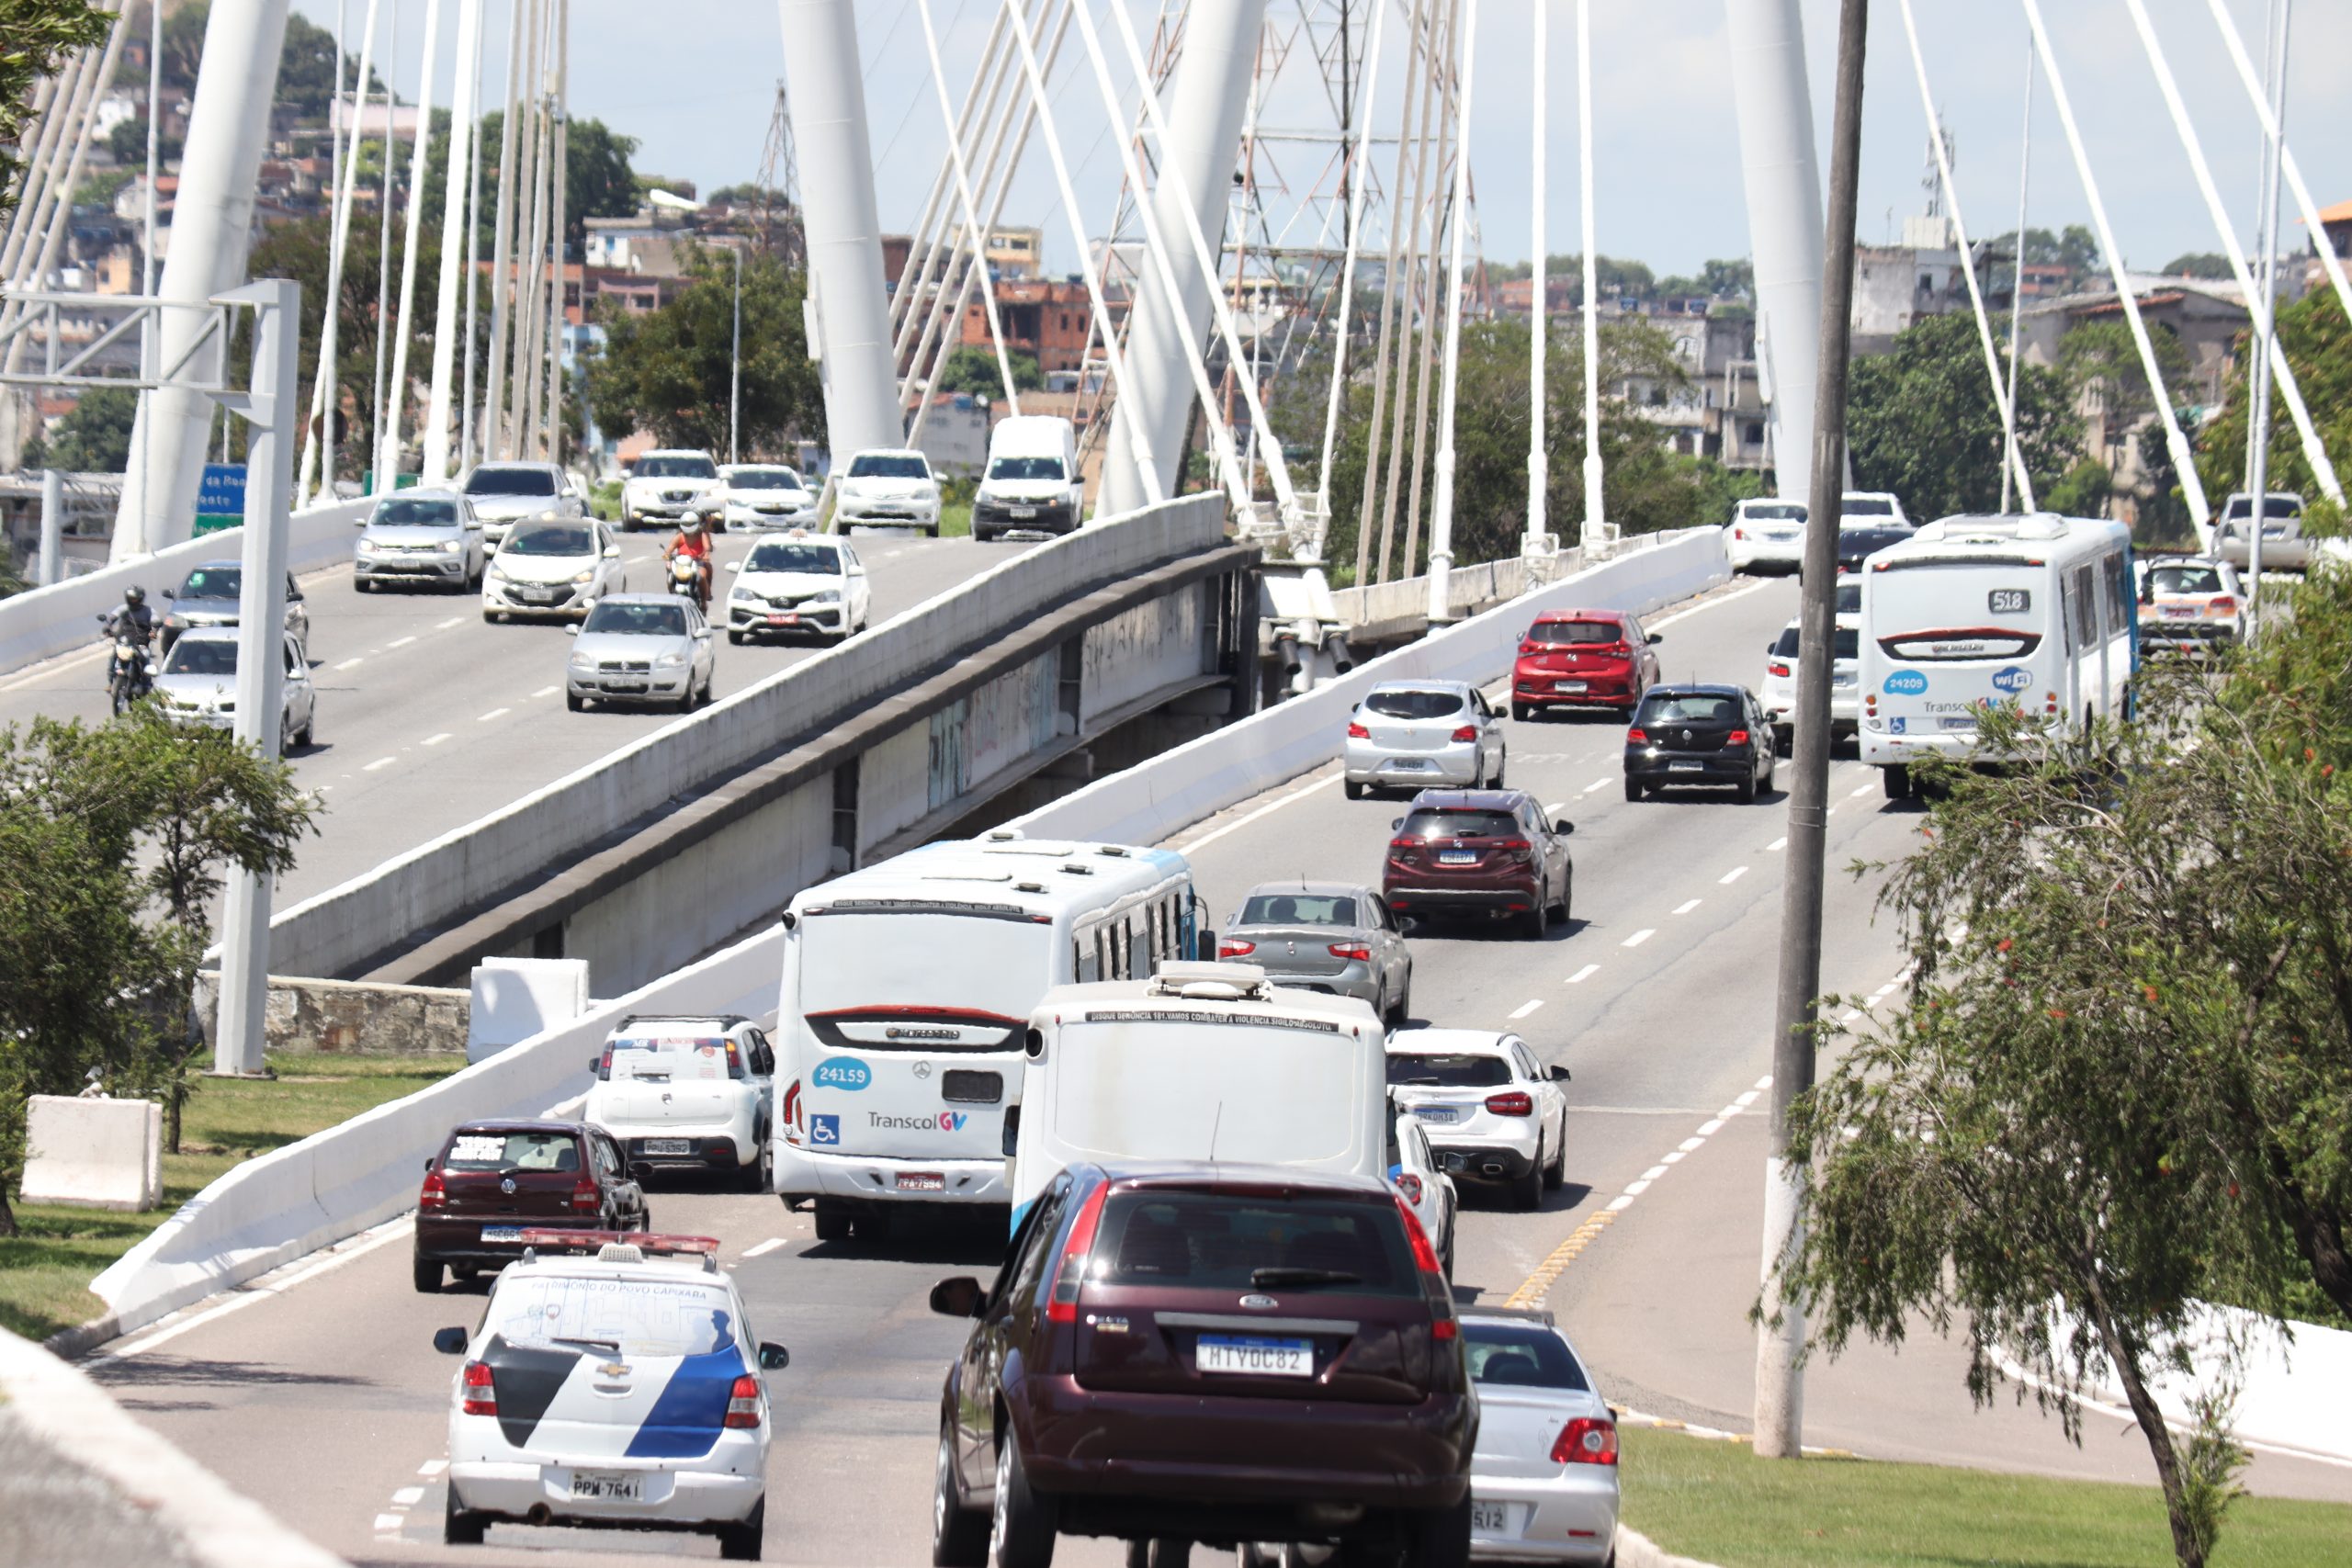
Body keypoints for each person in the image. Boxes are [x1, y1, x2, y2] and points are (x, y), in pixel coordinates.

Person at [99, 586, 155, 689]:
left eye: (135, 598)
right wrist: (108, 626)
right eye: (131, 598)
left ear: (140, 598)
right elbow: (113, 617)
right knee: (114, 657)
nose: (133, 601)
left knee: (145, 658)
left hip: (140, 642)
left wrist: (154, 631)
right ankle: (111, 682)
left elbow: (156, 621)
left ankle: (146, 683)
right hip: (124, 640)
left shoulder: (147, 610)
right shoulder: (123, 609)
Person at [662, 514, 714, 608]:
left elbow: (707, 547)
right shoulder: (679, 537)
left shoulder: (701, 535)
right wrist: (667, 558)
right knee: (671, 573)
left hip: (697, 562)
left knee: (701, 576)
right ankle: (671, 593)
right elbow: (669, 550)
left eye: (691, 524)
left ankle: (703, 601)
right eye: (686, 524)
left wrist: (704, 555)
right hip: (681, 563)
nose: (688, 527)